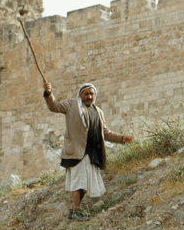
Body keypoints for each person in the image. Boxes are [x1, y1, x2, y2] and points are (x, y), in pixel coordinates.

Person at [43, 81, 134, 221]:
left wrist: (122, 138)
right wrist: (49, 93)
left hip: (91, 153)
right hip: (76, 151)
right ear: (81, 95)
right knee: (77, 181)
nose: (89, 97)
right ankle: (76, 210)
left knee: (86, 184)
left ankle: (73, 210)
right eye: (86, 94)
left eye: (92, 94)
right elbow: (54, 106)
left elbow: (105, 133)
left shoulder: (98, 112)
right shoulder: (72, 105)